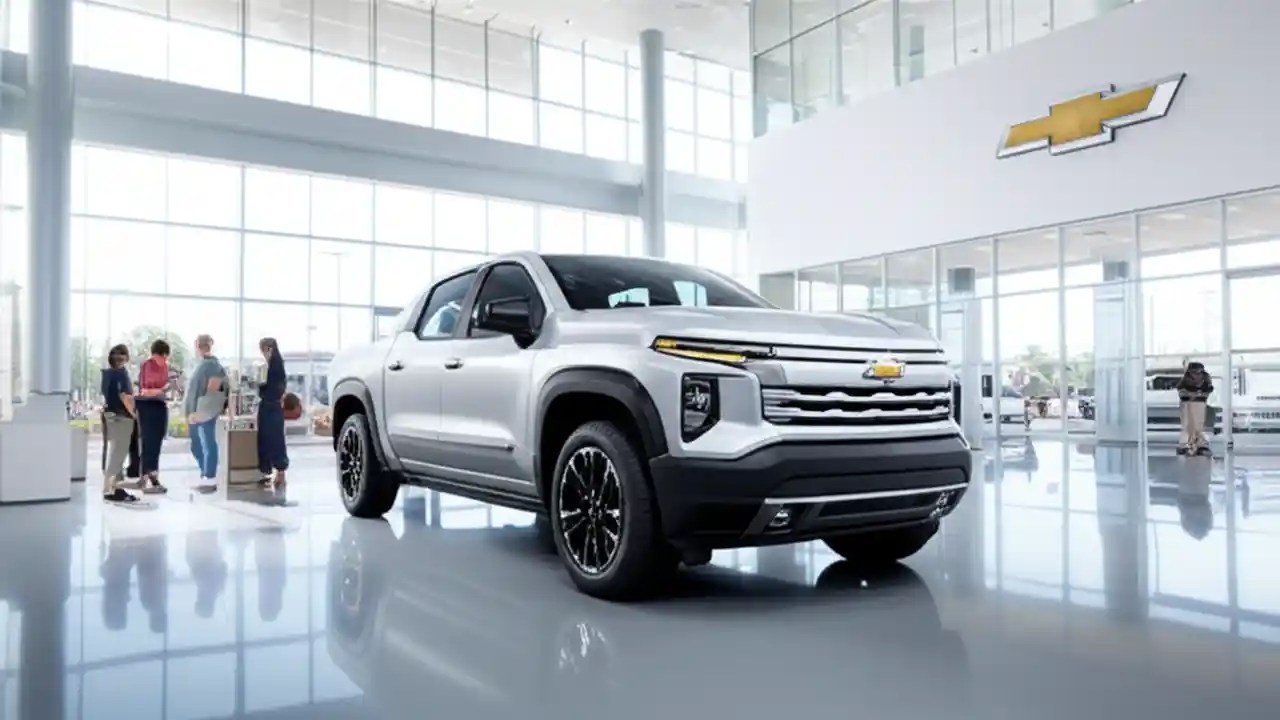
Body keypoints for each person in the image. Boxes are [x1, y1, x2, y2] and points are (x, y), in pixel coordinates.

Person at [101, 344, 141, 505]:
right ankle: (110, 490)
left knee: (115, 453)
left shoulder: (107, 374)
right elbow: (125, 396)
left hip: (111, 416)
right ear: (125, 358)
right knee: (118, 455)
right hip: (121, 417)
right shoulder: (121, 374)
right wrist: (134, 414)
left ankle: (116, 489)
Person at [185, 334, 228, 482]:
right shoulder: (200, 365)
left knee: (207, 442)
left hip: (203, 411)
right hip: (194, 411)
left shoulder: (213, 366)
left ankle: (209, 474)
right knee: (197, 445)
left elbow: (213, 390)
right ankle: (205, 472)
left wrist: (200, 412)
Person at [135, 339, 171, 494]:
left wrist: (164, 389)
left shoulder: (165, 367)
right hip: (147, 406)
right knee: (150, 441)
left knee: (157, 440)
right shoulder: (148, 365)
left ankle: (149, 475)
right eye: (164, 357)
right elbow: (146, 391)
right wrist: (162, 389)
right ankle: (149, 477)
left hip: (159, 405)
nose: (165, 361)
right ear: (160, 354)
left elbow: (162, 388)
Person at [256, 337, 290, 489]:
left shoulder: (273, 366)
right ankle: (275, 471)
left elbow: (268, 388)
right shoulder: (276, 365)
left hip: (271, 407)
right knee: (273, 438)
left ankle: (278, 472)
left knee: (273, 439)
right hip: (273, 407)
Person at [1176, 360, 1214, 457]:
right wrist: (1194, 394)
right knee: (1188, 425)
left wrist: (1195, 395)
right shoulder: (1184, 382)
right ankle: (1186, 445)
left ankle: (1201, 445)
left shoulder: (1206, 381)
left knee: (1199, 426)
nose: (1197, 375)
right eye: (1194, 372)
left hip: (1200, 405)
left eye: (1199, 372)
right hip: (1187, 405)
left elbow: (1207, 392)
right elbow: (1182, 393)